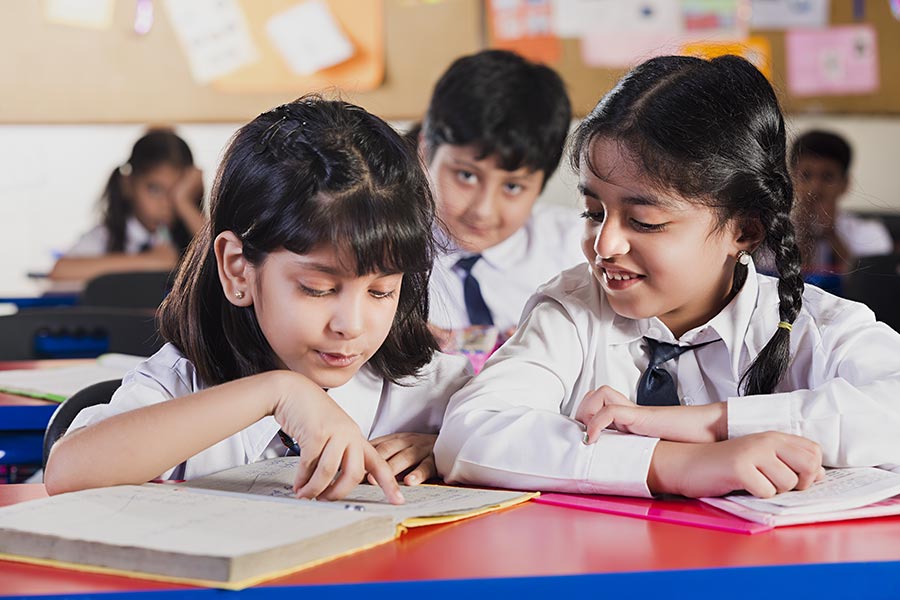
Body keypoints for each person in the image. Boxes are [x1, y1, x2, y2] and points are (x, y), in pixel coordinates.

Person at [434, 55, 900, 500]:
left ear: (744, 230)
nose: (605, 245)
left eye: (644, 221)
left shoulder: (812, 327)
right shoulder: (573, 311)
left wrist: (713, 424)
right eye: (594, 212)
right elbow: (469, 432)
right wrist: (676, 464)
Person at [44, 96, 472, 504]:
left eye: (382, 291)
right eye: (318, 289)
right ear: (237, 269)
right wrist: (278, 392)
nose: (352, 325)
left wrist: (447, 448)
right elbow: (68, 470)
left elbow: (513, 436)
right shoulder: (183, 384)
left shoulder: (428, 391)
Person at [419, 49, 584, 338]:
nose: (484, 210)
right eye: (466, 176)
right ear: (425, 150)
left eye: (512, 187)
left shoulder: (580, 251)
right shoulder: (384, 253)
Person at [48, 128, 206, 282]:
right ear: (128, 184)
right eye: (154, 189)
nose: (165, 203)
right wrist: (151, 262)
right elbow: (60, 270)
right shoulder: (108, 235)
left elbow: (219, 256)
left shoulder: (192, 234)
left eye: (176, 192)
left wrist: (185, 204)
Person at [790, 129, 893, 274]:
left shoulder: (871, 234)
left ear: (845, 184)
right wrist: (803, 234)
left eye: (828, 177)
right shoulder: (774, 231)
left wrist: (831, 234)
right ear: (791, 180)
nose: (815, 188)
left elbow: (872, 284)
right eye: (806, 176)